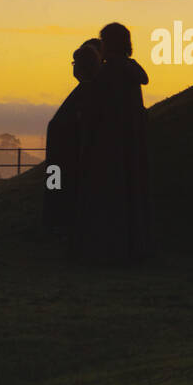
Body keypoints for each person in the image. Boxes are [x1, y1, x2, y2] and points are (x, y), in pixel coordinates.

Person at [76, 22, 152, 264]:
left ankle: (109, 250)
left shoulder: (106, 75)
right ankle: (134, 248)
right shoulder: (131, 72)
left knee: (108, 199)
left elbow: (97, 112)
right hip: (132, 144)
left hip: (108, 146)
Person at [44, 39, 102, 244]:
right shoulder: (89, 91)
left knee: (59, 194)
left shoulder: (88, 92)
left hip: (65, 159)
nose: (74, 68)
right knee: (56, 191)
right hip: (60, 160)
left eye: (75, 63)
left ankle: (60, 228)